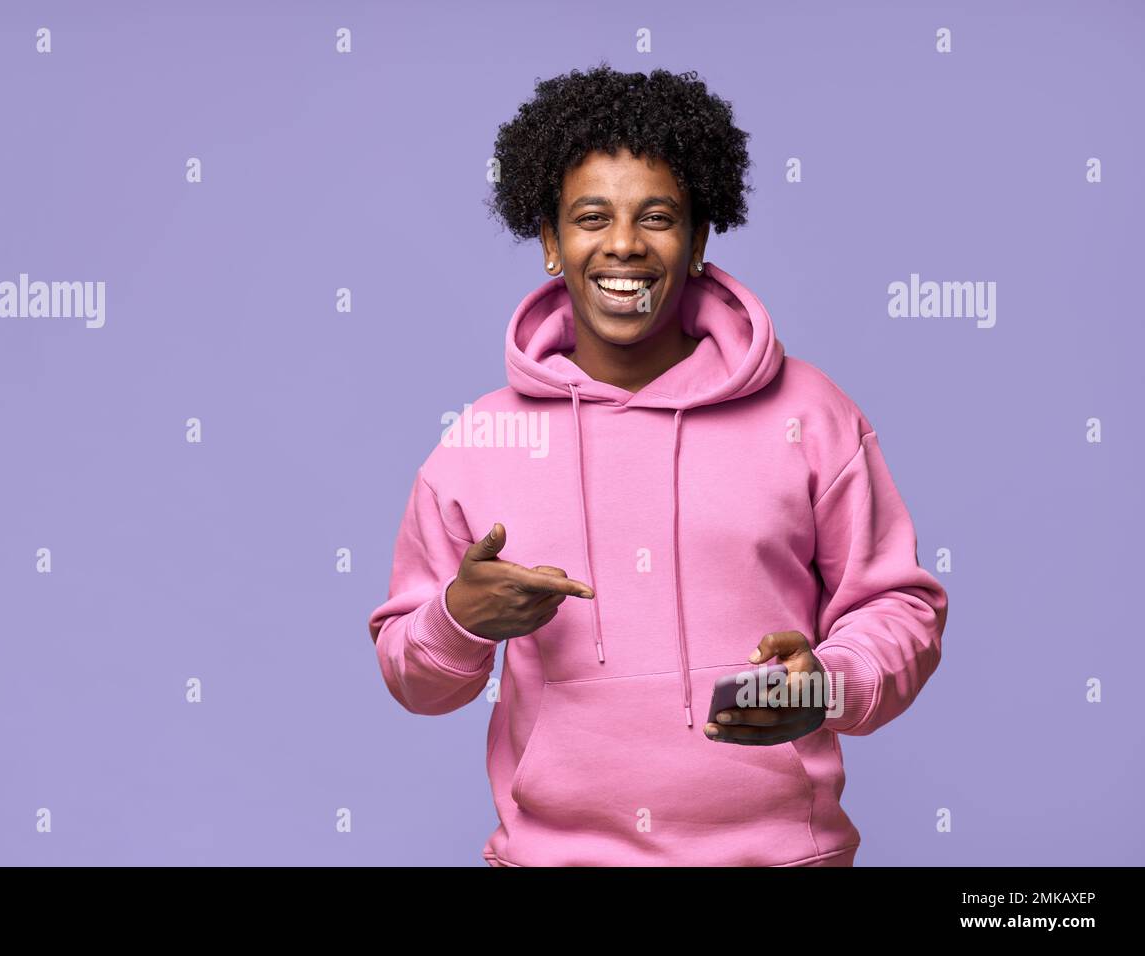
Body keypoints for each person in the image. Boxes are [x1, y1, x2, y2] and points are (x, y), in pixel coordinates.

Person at [367, 63, 948, 867]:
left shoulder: (811, 414)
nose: (624, 245)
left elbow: (901, 613)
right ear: (549, 240)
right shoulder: (478, 441)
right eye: (591, 216)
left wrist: (825, 684)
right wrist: (458, 618)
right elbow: (415, 679)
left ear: (700, 238)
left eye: (659, 217)